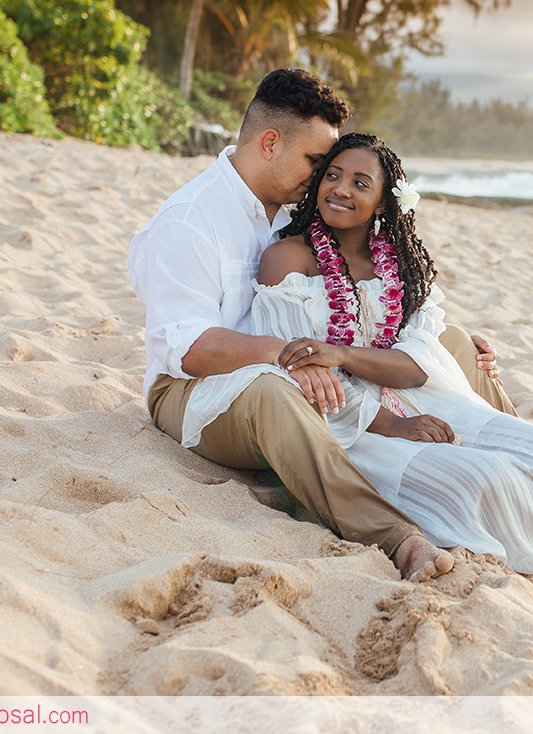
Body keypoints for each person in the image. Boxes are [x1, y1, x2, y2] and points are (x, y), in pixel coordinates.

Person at [127, 69, 510, 583]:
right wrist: (287, 354)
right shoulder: (189, 222)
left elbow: (354, 294)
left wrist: (439, 335)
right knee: (273, 391)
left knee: (452, 341)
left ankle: (518, 453)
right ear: (269, 143)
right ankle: (397, 539)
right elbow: (191, 349)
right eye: (314, 161)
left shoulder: (286, 215)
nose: (321, 175)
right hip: (193, 390)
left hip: (282, 367)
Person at [255, 133, 533, 574]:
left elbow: (418, 365)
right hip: (348, 424)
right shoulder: (287, 259)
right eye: (333, 175)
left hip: (423, 398)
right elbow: (304, 371)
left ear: (385, 203)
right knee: (485, 481)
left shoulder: (402, 269)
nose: (342, 189)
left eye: (360, 183)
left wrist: (341, 354)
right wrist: (391, 425)